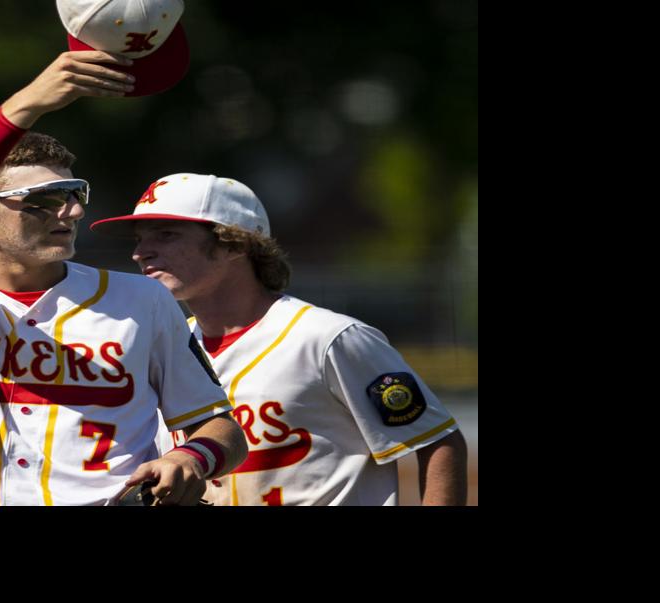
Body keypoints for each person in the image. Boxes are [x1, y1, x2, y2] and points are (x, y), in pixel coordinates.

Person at [0, 52, 247, 506]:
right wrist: (23, 107)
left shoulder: (140, 299)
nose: (71, 212)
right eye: (44, 199)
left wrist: (191, 456)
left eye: (74, 194)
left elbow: (220, 427)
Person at [92, 173, 467, 506]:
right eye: (140, 239)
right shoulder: (166, 347)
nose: (141, 252)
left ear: (235, 244)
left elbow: (437, 442)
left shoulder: (327, 338)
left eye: (166, 235)